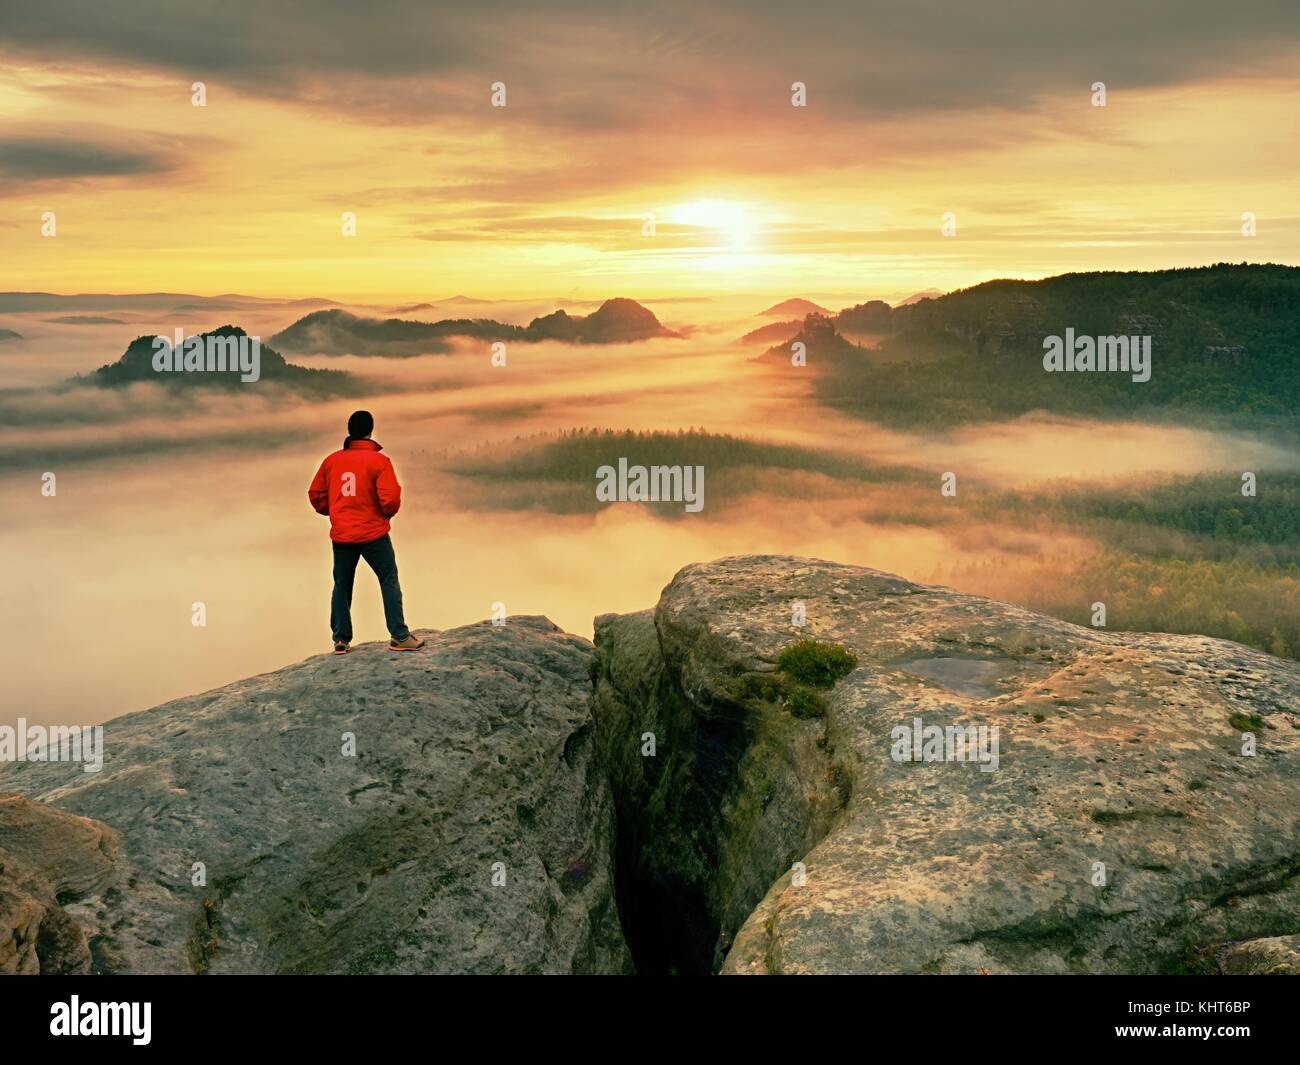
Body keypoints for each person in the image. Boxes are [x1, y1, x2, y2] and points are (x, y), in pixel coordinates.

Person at [307, 411, 423, 654]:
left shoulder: (331, 461)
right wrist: (384, 515)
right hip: (373, 534)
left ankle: (340, 640)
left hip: (342, 534)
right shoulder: (379, 462)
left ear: (350, 431)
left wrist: (336, 512)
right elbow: (390, 499)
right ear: (370, 431)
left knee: (342, 584)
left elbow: (316, 494)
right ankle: (399, 636)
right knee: (388, 578)